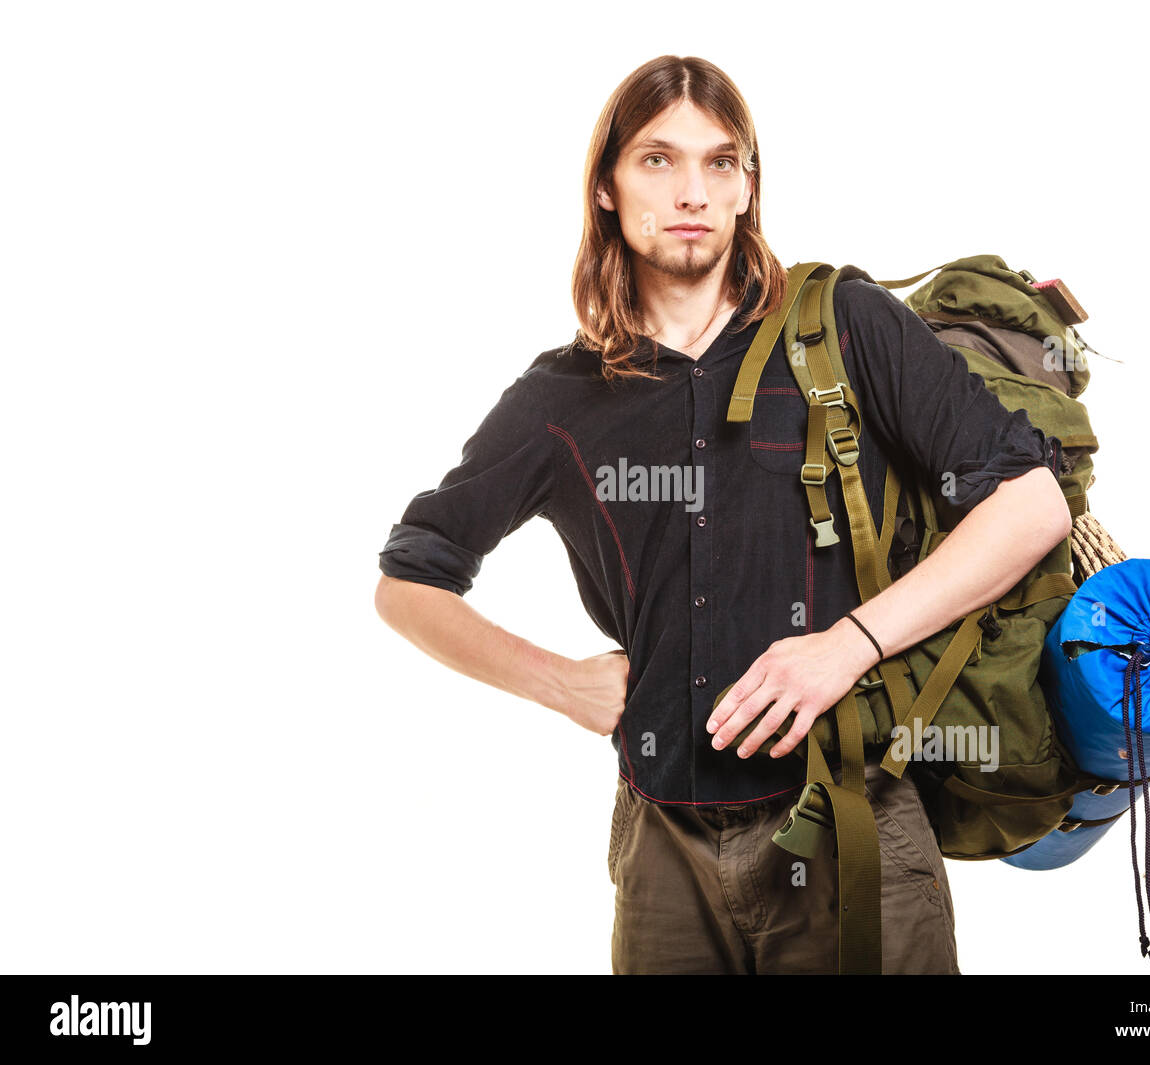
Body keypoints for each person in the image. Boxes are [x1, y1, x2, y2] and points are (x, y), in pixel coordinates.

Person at [374, 55, 1071, 974]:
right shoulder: (559, 399)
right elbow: (409, 581)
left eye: (721, 162)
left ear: (748, 188)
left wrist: (848, 644)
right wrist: (558, 681)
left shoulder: (847, 327)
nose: (692, 190)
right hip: (662, 853)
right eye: (658, 161)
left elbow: (1031, 503)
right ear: (609, 191)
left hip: (851, 826)